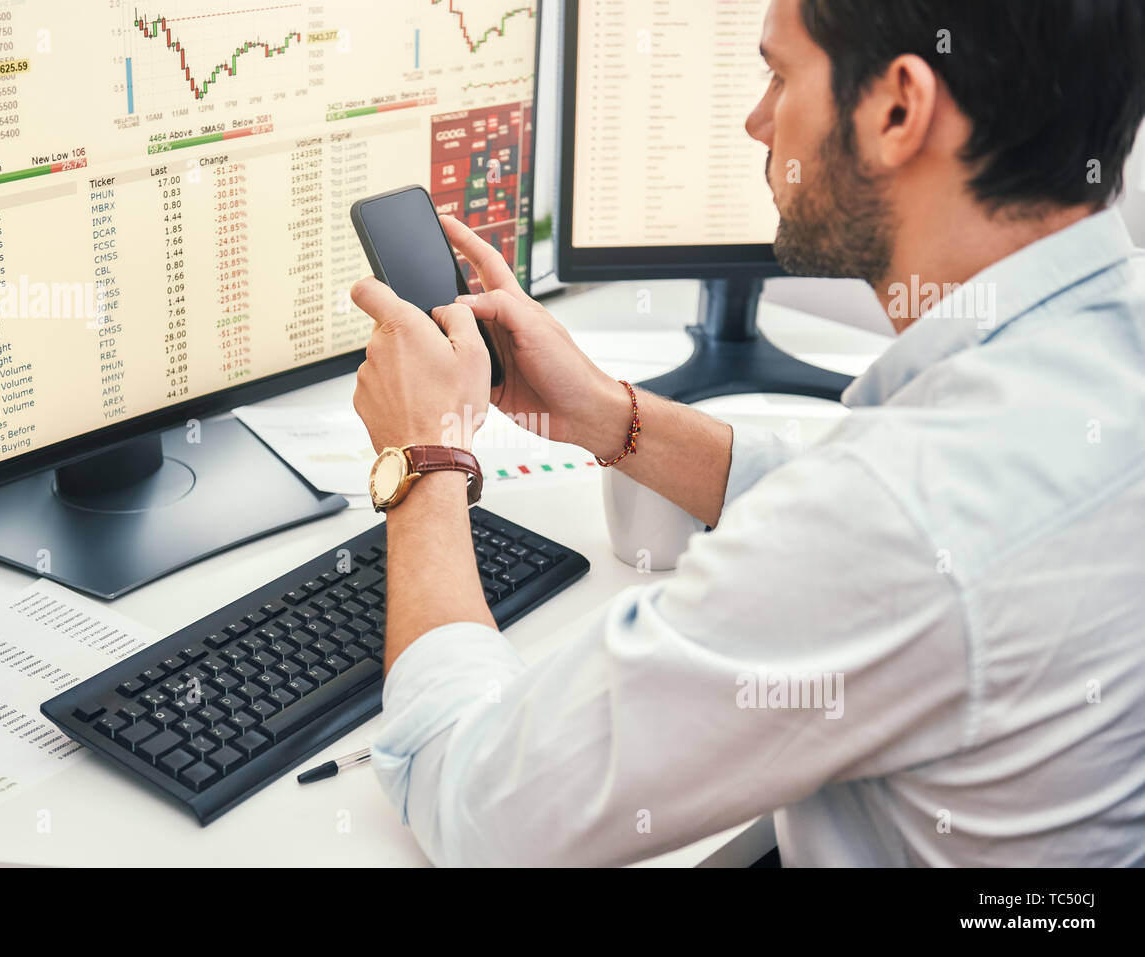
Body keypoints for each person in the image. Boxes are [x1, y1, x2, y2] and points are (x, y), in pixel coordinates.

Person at [347, 0, 1145, 866]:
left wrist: (425, 455)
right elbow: (883, 517)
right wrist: (611, 417)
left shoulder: (900, 513)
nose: (756, 121)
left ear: (897, 110)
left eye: (780, 75)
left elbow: (478, 808)